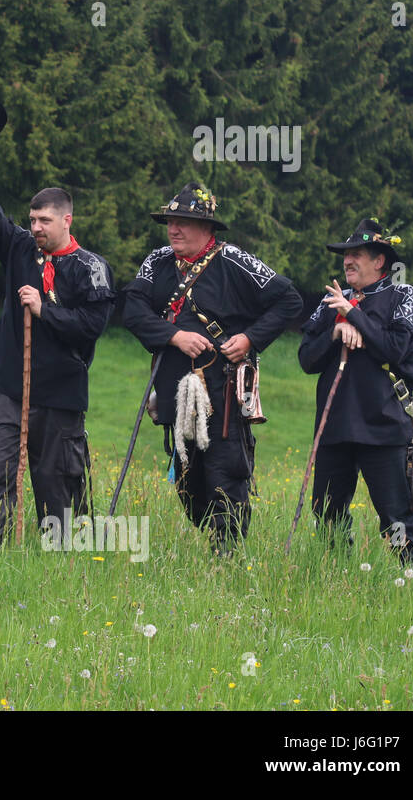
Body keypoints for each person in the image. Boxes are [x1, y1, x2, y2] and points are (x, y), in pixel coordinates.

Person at [123, 182, 302, 555]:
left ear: (207, 228)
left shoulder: (234, 259)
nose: (174, 229)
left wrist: (250, 339)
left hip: (223, 393)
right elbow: (133, 310)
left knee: (226, 477)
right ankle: (216, 544)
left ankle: (228, 558)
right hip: (176, 388)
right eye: (170, 221)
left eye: (184, 222)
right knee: (189, 485)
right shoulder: (157, 261)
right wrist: (174, 337)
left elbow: (289, 300)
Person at [0, 150, 115, 541]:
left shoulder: (91, 268)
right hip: (9, 385)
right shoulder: (19, 248)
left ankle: (67, 561)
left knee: (59, 483)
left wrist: (44, 310)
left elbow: (92, 326)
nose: (37, 227)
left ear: (67, 220)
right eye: (32, 220)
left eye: (45, 220)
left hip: (60, 392)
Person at [298, 218, 413, 563]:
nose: (347, 261)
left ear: (379, 261)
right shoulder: (330, 300)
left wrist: (354, 317)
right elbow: (306, 359)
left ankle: (409, 575)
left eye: (356, 255)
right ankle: (336, 576)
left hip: (382, 424)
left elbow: (397, 352)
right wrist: (335, 332)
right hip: (334, 426)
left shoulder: (402, 295)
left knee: (396, 515)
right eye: (345, 255)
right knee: (327, 514)